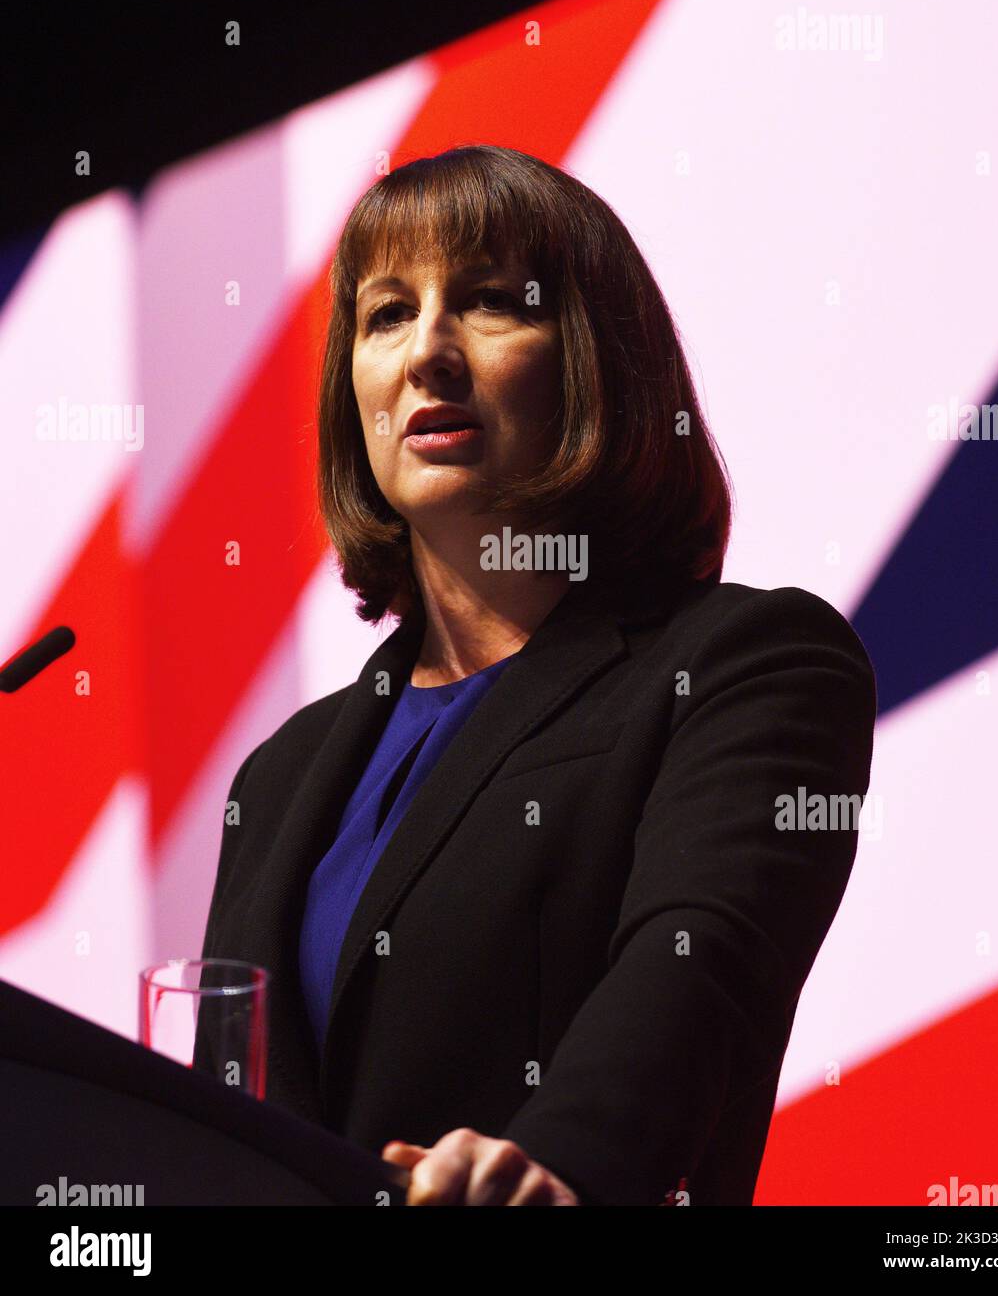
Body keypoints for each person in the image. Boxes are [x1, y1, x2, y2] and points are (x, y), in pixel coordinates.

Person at [199, 144, 877, 1206]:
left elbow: (699, 971)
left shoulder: (749, 665)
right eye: (385, 314)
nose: (427, 351)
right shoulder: (277, 777)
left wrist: (558, 1164)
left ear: (595, 359)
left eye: (485, 303)